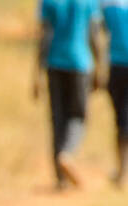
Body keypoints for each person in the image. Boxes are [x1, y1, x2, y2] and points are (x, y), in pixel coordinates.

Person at [35, 0, 104, 188]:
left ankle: (60, 179)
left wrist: (36, 73)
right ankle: (68, 153)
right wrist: (100, 67)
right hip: (81, 64)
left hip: (54, 64)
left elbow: (44, 36)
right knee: (78, 116)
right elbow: (94, 35)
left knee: (57, 118)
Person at [102, 1, 128, 182]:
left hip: (116, 66)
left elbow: (97, 31)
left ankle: (122, 171)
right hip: (117, 64)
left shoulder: (106, 4)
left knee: (121, 119)